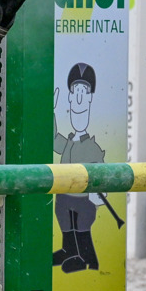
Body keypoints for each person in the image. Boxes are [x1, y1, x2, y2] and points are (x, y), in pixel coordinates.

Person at [52, 63, 108, 273]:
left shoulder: (92, 147)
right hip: (64, 196)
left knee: (82, 229)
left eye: (83, 92)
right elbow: (53, 140)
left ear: (91, 98)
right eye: (75, 91)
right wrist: (53, 113)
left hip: (83, 200)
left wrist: (98, 191)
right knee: (66, 226)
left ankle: (88, 260)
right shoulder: (68, 142)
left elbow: (101, 171)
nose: (78, 99)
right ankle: (69, 251)